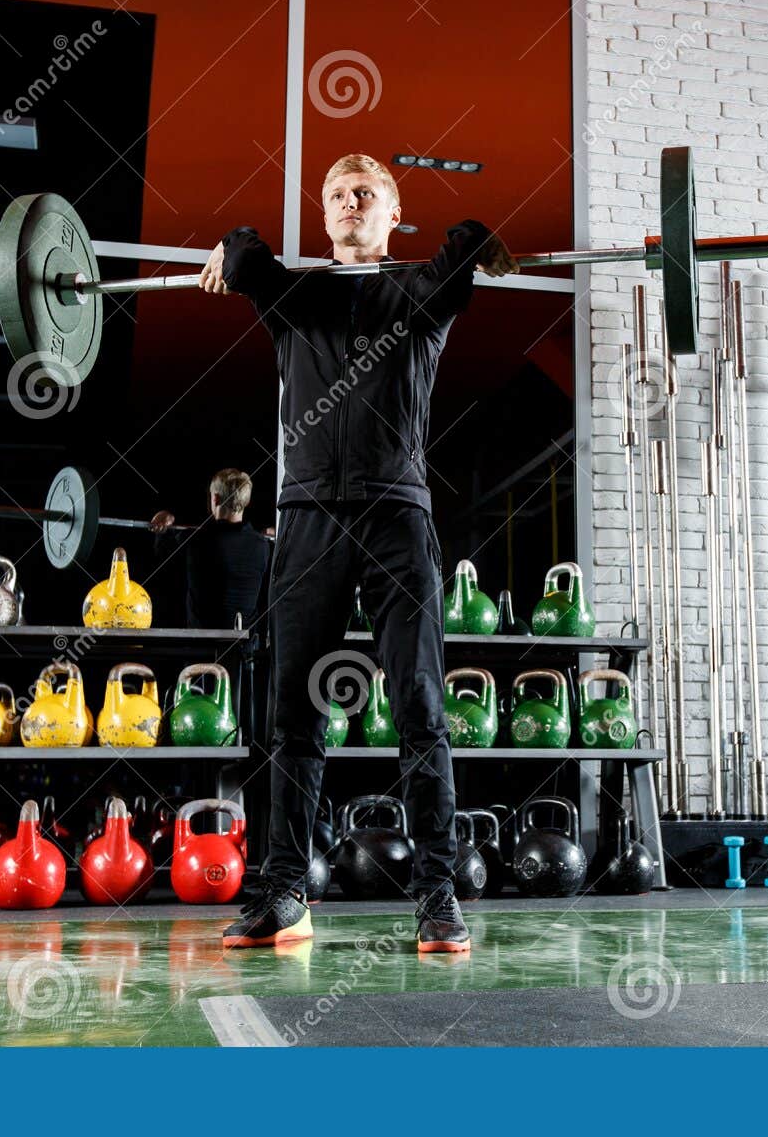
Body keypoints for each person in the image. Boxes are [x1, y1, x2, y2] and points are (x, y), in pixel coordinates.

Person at [199, 152, 517, 953]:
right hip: (305, 517)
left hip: (394, 517)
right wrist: (228, 252)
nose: (350, 204)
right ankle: (284, 896)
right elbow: (246, 255)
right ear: (327, 212)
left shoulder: (416, 295)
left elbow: (463, 245)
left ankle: (438, 897)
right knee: (291, 715)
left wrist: (481, 238)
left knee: (418, 705)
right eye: (338, 195)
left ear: (389, 215)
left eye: (366, 194)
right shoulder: (297, 300)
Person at [149, 468, 270, 629]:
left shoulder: (196, 540)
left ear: (215, 498)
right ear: (246, 501)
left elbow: (162, 553)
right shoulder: (262, 545)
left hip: (202, 647)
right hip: (245, 647)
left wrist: (162, 525)